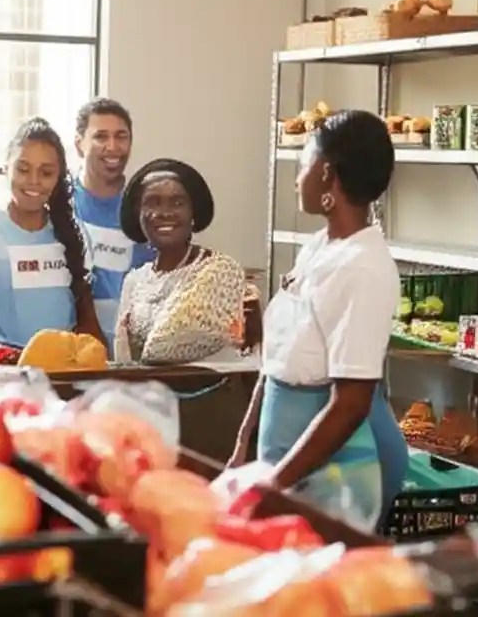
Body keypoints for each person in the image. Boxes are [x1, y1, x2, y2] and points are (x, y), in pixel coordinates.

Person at [223, 109, 407, 526]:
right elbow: (278, 362)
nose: (296, 179)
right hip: (289, 461)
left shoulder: (363, 267)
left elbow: (351, 404)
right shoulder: (321, 248)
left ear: (326, 174)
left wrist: (274, 485)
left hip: (342, 467)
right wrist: (243, 447)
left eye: (302, 165)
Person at [0, 117, 104, 348]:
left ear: (58, 176)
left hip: (61, 371)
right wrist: (2, 360)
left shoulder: (74, 233)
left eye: (46, 173)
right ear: (5, 168)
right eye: (23, 169)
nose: (34, 181)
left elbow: (85, 311)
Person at [113, 158, 259, 364]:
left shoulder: (220, 270)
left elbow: (162, 347)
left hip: (209, 394)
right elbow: (124, 361)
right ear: (138, 214)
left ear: (193, 213)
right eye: (152, 203)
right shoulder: (134, 281)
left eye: (178, 203)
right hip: (149, 395)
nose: (164, 213)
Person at [71, 98, 155, 352]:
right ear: (79, 144)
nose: (113, 147)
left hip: (132, 353)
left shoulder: (146, 207)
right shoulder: (59, 204)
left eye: (121, 137)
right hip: (70, 349)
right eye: (100, 137)